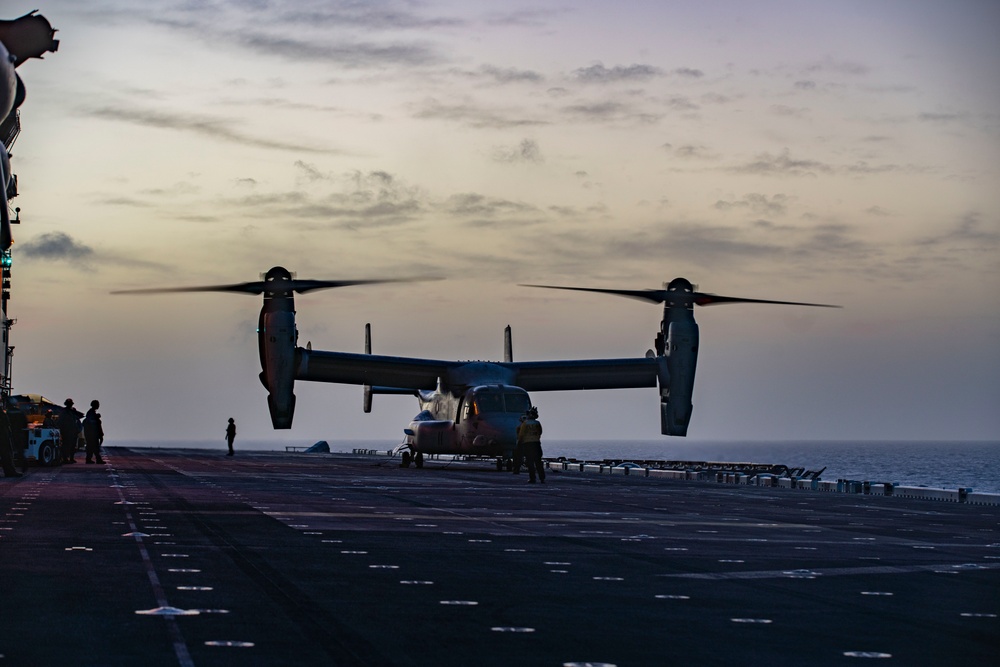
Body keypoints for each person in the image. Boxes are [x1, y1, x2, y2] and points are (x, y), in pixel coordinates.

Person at [516, 406, 545, 484]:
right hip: (536, 443)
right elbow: (540, 432)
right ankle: (542, 478)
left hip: (527, 444)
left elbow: (521, 434)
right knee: (538, 462)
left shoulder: (525, 424)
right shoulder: (537, 423)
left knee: (530, 462)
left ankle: (533, 478)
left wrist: (519, 442)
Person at [0, 405, 23, 478]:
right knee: (6, 453)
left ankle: (10, 471)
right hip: (3, 434)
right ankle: (10, 471)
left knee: (6, 453)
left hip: (4, 434)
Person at [58, 399, 83, 464]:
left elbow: (80, 415)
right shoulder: (64, 411)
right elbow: (61, 422)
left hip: (73, 431)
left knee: (73, 446)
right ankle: (65, 459)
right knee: (66, 445)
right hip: (67, 431)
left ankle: (71, 458)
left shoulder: (72, 411)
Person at [83, 400, 105, 465]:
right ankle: (96, 459)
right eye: (97, 404)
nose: (98, 406)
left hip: (93, 434)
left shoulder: (92, 413)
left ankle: (90, 459)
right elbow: (92, 423)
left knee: (92, 447)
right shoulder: (91, 413)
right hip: (92, 434)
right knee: (94, 447)